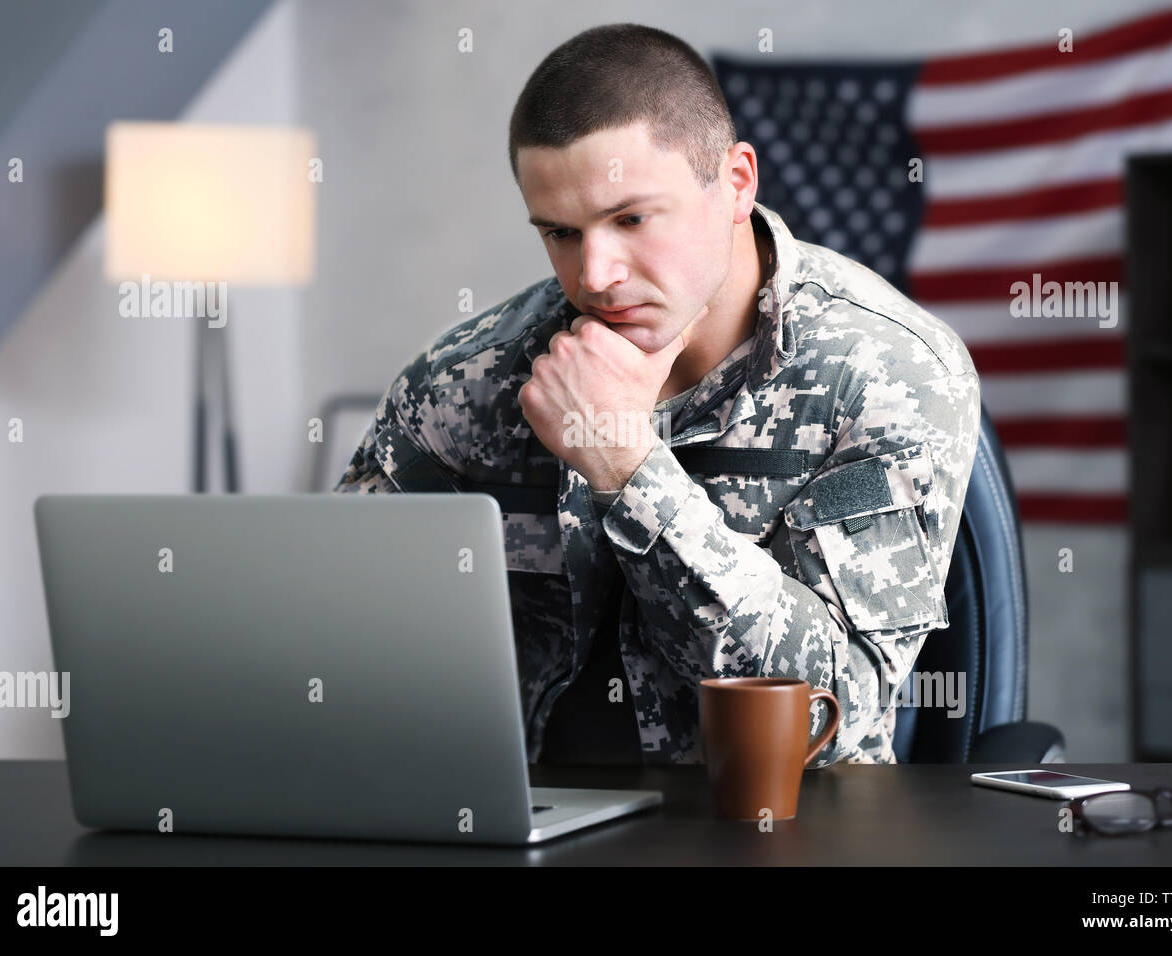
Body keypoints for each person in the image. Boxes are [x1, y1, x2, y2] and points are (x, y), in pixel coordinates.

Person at [334, 22, 981, 768]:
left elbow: (821, 717)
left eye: (631, 219)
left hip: (777, 833)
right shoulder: (463, 382)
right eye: (560, 233)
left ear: (737, 182)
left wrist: (627, 467)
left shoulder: (890, 373)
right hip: (522, 824)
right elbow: (339, 639)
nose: (596, 275)